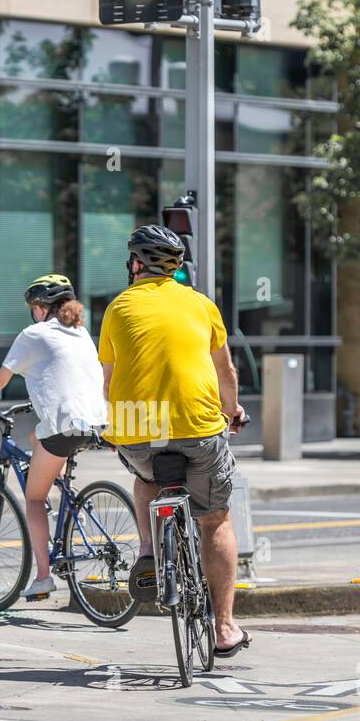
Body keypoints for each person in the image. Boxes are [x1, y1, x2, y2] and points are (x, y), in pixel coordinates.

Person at [99, 225, 251, 657]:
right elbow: (227, 374)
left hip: (136, 427)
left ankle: (148, 550)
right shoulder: (202, 305)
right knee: (215, 518)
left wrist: (116, 426)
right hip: (197, 428)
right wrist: (231, 412)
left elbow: (108, 380)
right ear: (177, 267)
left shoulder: (117, 308)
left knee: (143, 471)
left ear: (135, 264)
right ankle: (224, 629)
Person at [0, 274, 108, 599]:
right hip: (95, 423)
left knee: (35, 499)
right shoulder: (80, 333)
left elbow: (0, 378)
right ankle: (63, 512)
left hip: (64, 426)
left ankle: (42, 577)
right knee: (37, 439)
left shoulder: (34, 334)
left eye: (32, 308)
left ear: (40, 308)